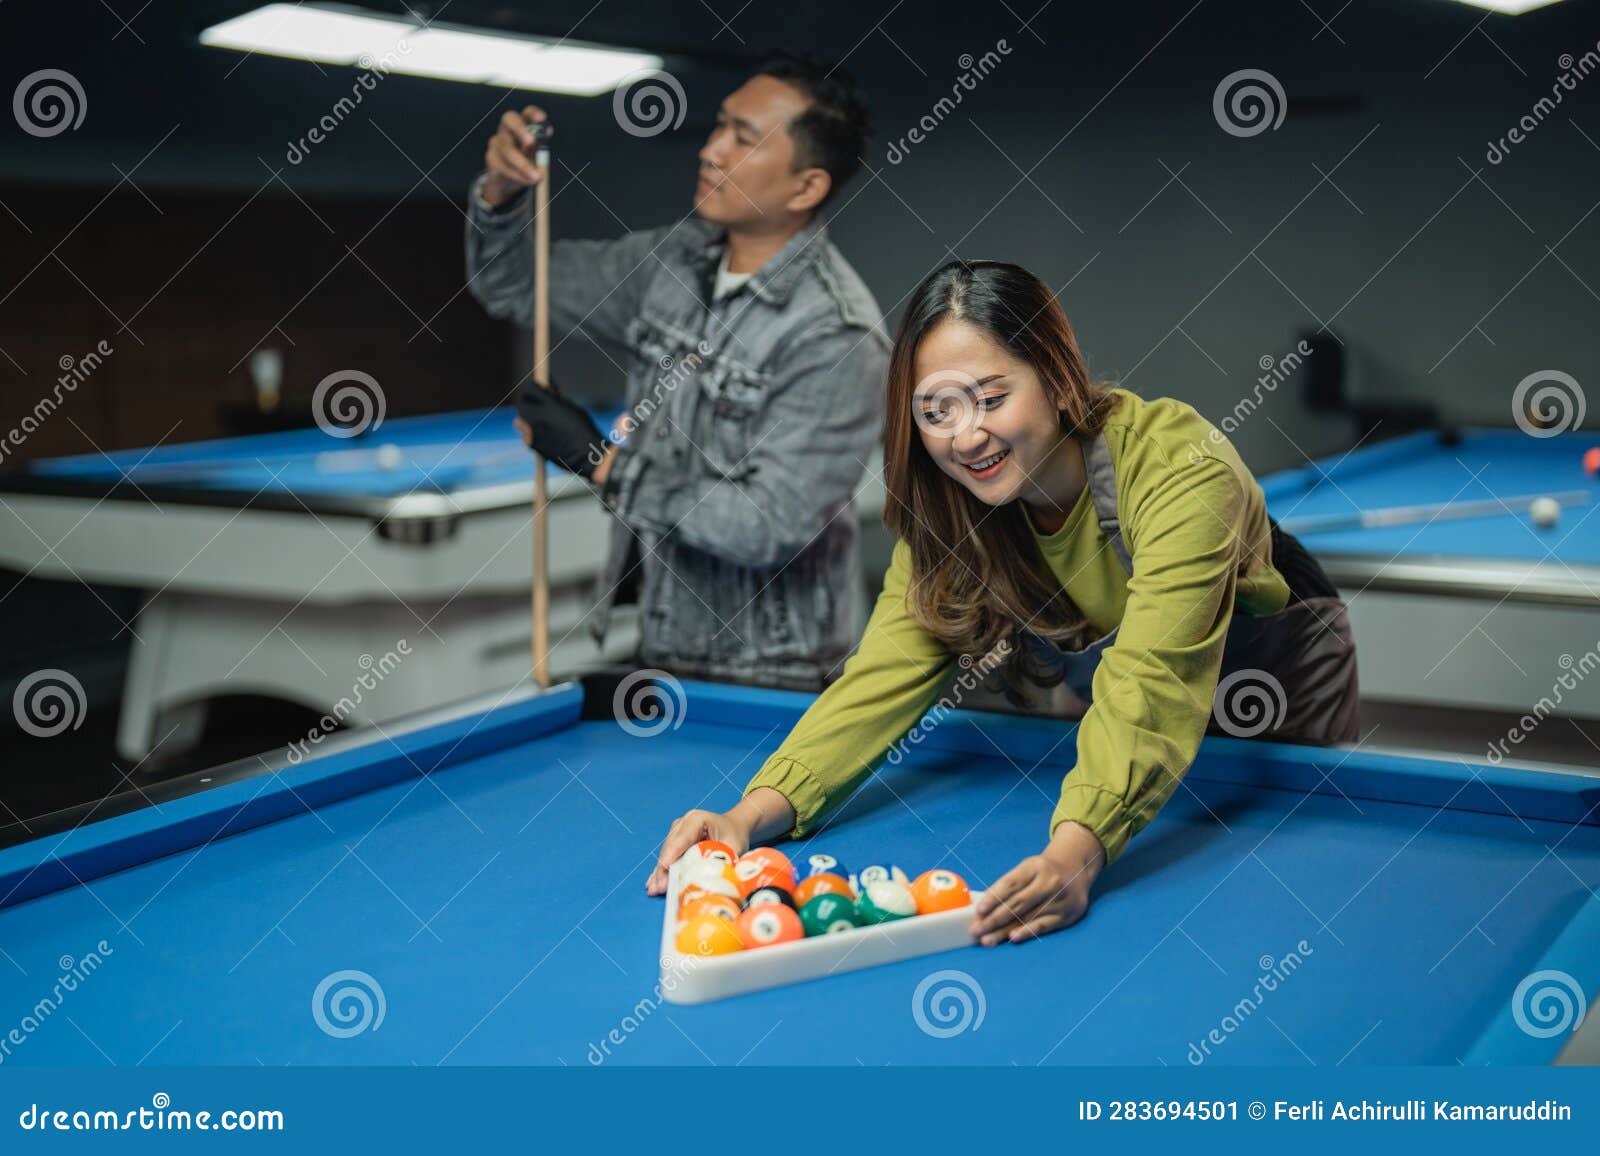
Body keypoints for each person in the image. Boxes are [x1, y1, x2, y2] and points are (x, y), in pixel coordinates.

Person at [646, 259, 1359, 944]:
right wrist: (749, 815)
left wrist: (1077, 851)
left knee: (1275, 918)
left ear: (1055, 377)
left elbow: (1154, 675)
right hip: (1127, 728)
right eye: (938, 410)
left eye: (992, 397)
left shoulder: (1181, 466)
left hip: (1270, 698)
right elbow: (880, 679)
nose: (968, 435)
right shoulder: (957, 515)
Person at [465, 56, 887, 691]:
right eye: (719, 127)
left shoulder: (836, 333)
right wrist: (500, 194)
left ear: (806, 188)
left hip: (776, 672)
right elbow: (513, 286)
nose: (711, 150)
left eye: (743, 138)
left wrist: (600, 461)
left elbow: (768, 524)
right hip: (664, 641)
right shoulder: (673, 260)